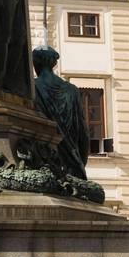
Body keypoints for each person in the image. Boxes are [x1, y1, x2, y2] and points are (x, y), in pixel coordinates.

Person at [32, 46, 89, 180]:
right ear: (53, 63)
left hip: (44, 159)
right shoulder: (72, 90)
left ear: (36, 63)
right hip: (70, 159)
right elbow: (83, 132)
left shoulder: (33, 87)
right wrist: (80, 161)